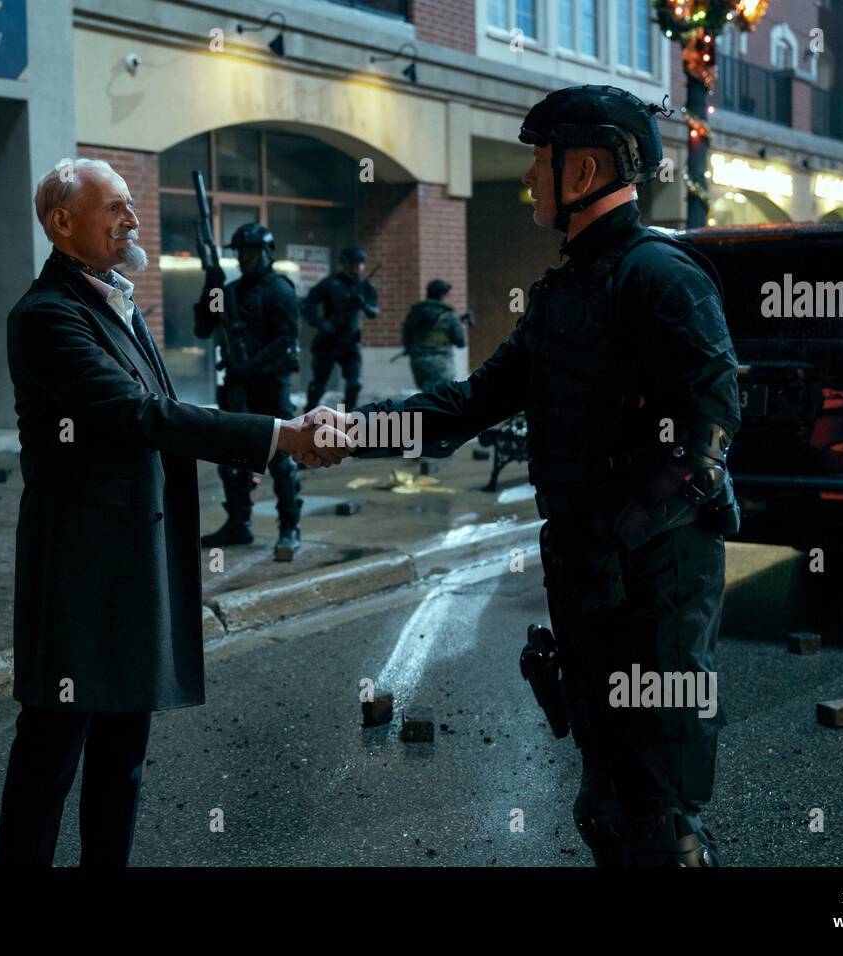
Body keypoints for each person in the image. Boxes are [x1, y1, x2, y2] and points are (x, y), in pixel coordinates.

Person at [336, 86, 741, 866]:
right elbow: (470, 402)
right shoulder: (563, 292)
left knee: (661, 818)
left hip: (656, 586)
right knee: (606, 804)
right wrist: (356, 429)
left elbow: (706, 431)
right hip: (589, 580)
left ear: (583, 168)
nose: (528, 177)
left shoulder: (664, 276)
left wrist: (614, 537)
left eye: (537, 160)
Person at [0, 158, 348, 867]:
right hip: (80, 568)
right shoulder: (45, 316)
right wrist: (278, 435)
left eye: (132, 204)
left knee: (124, 754)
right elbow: (141, 413)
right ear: (62, 223)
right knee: (51, 755)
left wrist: (271, 429)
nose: (132, 218)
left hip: (135, 558)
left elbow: (159, 412)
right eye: (115, 206)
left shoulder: (112, 300)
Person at [194, 223, 304, 560]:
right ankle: (238, 523)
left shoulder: (279, 289)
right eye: (240, 252)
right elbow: (204, 327)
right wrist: (211, 286)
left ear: (268, 253)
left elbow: (287, 339)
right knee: (232, 458)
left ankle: (289, 529)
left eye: (251, 252)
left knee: (280, 458)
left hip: (269, 386)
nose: (244, 258)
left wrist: (251, 365)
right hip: (237, 387)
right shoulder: (230, 290)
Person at [303, 245, 378, 411]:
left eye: (360, 264)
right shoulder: (330, 283)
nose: (357, 268)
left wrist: (363, 303)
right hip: (328, 341)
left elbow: (374, 311)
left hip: (349, 342)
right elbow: (308, 304)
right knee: (318, 385)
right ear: (344, 264)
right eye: (353, 264)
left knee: (354, 384)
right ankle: (307, 414)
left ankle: (347, 415)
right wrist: (320, 323)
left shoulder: (365, 286)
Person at [401, 278, 468, 392]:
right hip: (442, 364)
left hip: (419, 362)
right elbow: (460, 342)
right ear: (442, 295)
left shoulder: (416, 311)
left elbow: (406, 333)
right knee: (442, 397)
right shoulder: (449, 315)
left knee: (426, 395)